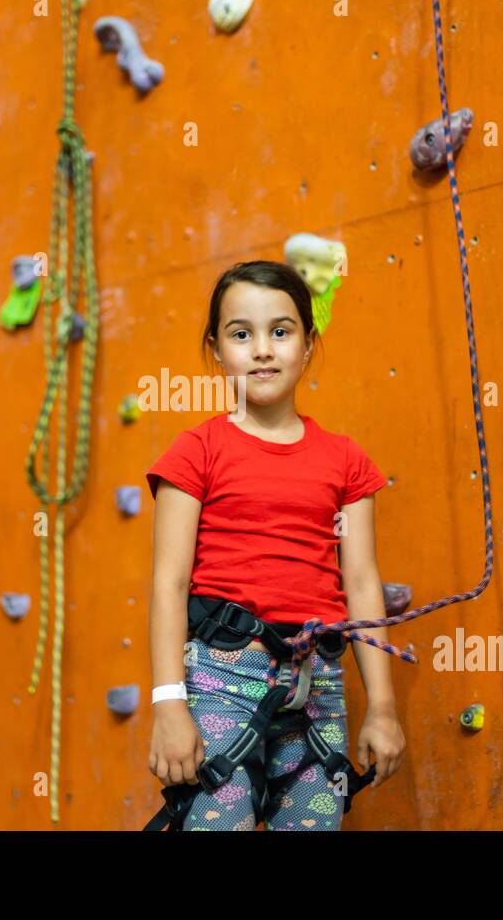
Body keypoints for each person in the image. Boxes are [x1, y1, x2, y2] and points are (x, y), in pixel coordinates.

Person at [145, 259, 406, 830]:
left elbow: (362, 584)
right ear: (215, 348)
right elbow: (169, 582)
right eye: (242, 334)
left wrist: (382, 709)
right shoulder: (195, 453)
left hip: (319, 689)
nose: (262, 349)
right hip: (222, 681)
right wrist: (169, 702)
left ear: (309, 345)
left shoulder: (347, 463)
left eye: (280, 331)